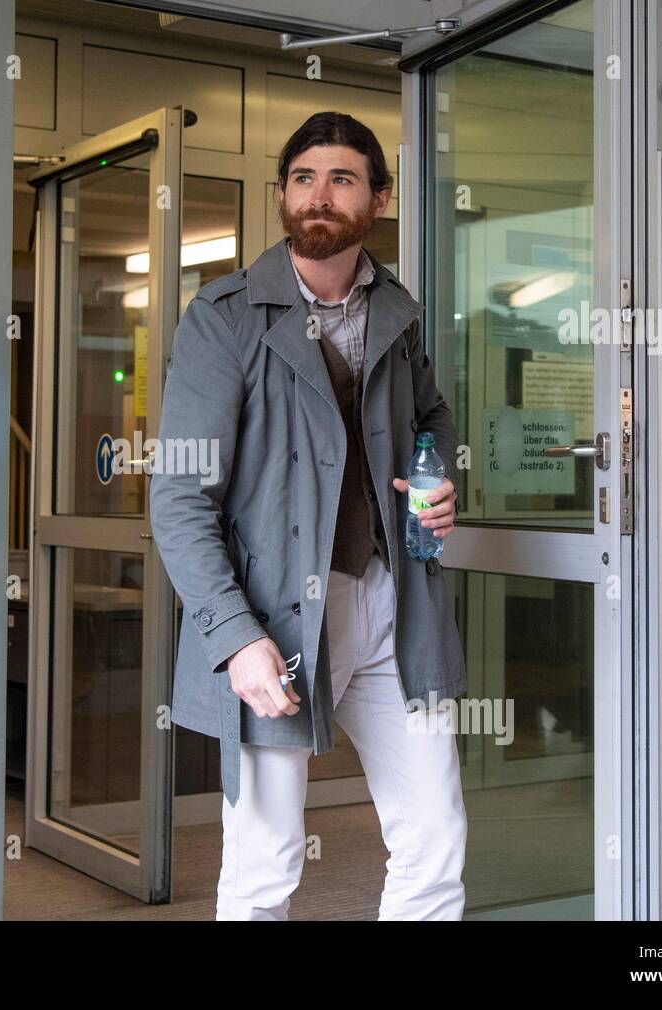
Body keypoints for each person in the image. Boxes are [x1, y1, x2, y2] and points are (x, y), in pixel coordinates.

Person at [149, 111, 468, 920]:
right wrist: (236, 636)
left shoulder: (398, 311)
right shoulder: (223, 318)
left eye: (342, 178)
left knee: (435, 837)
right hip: (277, 616)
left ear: (379, 198)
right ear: (284, 193)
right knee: (267, 859)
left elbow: (432, 417)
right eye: (302, 177)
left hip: (395, 602)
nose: (318, 195)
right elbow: (181, 496)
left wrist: (433, 476)